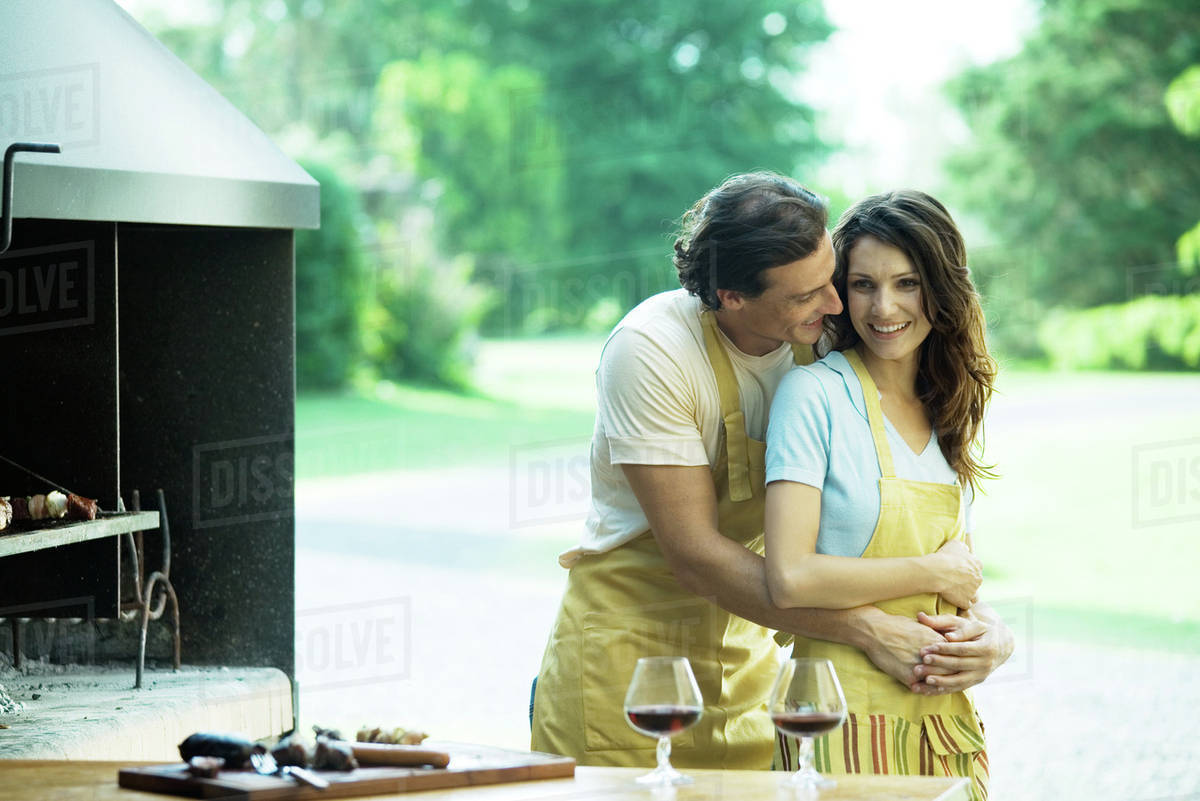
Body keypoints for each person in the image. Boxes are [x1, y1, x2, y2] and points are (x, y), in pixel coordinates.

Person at [531, 173, 1012, 770]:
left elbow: (891, 528)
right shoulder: (652, 350)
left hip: (751, 654)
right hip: (633, 667)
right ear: (731, 296)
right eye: (808, 295)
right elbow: (695, 554)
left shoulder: (818, 339)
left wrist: (989, 629)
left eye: (831, 279)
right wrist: (864, 629)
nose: (838, 304)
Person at [764, 190, 1009, 799]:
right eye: (863, 284)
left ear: (941, 287)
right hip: (836, 723)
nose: (884, 307)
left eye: (907, 283)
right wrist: (931, 568)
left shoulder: (947, 406)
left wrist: (995, 638)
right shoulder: (813, 396)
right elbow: (790, 576)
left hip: (945, 729)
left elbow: (960, 580)